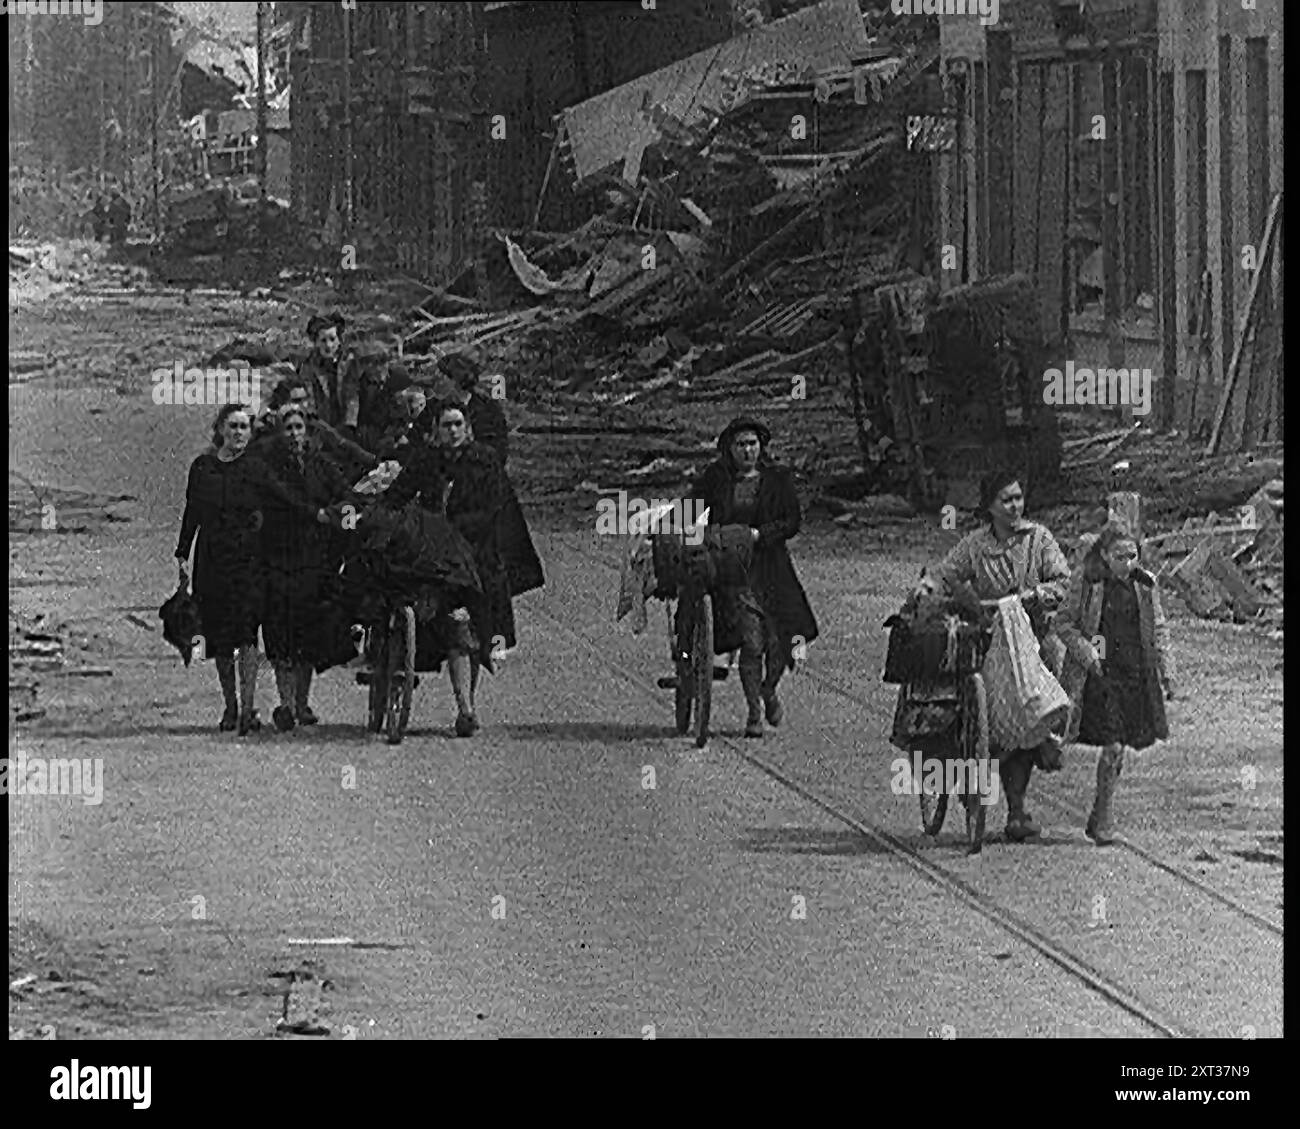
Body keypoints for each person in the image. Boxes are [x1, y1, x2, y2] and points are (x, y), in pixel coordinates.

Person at [917, 468, 1071, 842]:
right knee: (977, 705)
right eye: (1006, 500)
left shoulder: (1039, 539)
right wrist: (926, 589)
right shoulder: (974, 545)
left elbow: (1064, 581)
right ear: (990, 507)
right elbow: (945, 573)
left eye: (1018, 498)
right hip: (988, 637)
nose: (1014, 506)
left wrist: (1036, 596)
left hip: (1034, 634)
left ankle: (1049, 741)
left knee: (1059, 665)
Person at [384, 401, 536, 736]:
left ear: (467, 428)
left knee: (472, 632)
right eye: (445, 425)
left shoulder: (484, 461)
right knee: (455, 626)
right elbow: (398, 494)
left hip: (477, 556)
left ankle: (467, 704)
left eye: (457, 424)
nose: (452, 432)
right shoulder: (426, 461)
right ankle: (464, 706)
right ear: (435, 431)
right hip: (435, 557)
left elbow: (495, 509)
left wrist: (454, 527)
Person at [688, 417, 820, 738]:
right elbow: (690, 507)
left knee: (781, 642)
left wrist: (762, 534)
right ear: (729, 449)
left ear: (761, 447)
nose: (747, 450)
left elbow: (792, 521)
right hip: (735, 572)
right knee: (752, 643)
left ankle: (769, 688)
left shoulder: (777, 479)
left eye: (752, 444)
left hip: (772, 569)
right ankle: (753, 712)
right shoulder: (717, 478)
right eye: (740, 445)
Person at [1056, 522, 1175, 845]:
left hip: (1134, 674)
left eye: (1132, 555)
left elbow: (1159, 628)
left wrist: (1167, 672)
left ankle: (1099, 812)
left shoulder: (1145, 585)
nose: (1127, 563)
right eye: (1119, 556)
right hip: (1100, 675)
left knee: (1121, 747)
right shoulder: (1088, 582)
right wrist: (1087, 653)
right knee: (1113, 746)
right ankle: (1106, 819)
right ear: (1104, 556)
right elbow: (1063, 623)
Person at [254, 404, 355, 731]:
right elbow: (281, 497)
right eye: (288, 428)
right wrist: (318, 514)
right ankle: (284, 703)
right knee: (279, 634)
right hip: (277, 557)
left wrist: (343, 513)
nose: (294, 434)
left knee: (306, 633)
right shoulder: (269, 466)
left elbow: (346, 495)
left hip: (315, 559)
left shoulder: (323, 465)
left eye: (299, 428)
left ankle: (301, 702)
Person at [175, 404, 266, 735]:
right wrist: (182, 552)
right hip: (212, 559)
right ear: (220, 429)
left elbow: (282, 500)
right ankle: (231, 705)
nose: (239, 432)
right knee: (220, 636)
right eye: (233, 426)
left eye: (244, 427)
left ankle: (249, 706)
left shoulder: (257, 467)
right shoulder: (202, 467)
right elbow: (193, 511)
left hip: (249, 559)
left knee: (248, 632)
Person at [253, 375, 378, 483]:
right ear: (282, 402)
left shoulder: (311, 421)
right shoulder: (267, 430)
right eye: (296, 400)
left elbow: (340, 442)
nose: (302, 405)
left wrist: (372, 460)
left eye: (304, 400)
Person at [416, 352, 509, 465]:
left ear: (457, 382)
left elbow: (496, 448)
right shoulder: (432, 406)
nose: (437, 379)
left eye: (443, 375)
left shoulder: (487, 409)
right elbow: (416, 437)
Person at [296, 312, 352, 430]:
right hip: (321, 424)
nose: (328, 345)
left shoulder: (348, 362)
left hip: (346, 424)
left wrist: (349, 424)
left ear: (339, 340)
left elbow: (352, 396)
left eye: (332, 339)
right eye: (323, 340)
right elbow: (307, 395)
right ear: (316, 342)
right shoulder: (309, 366)